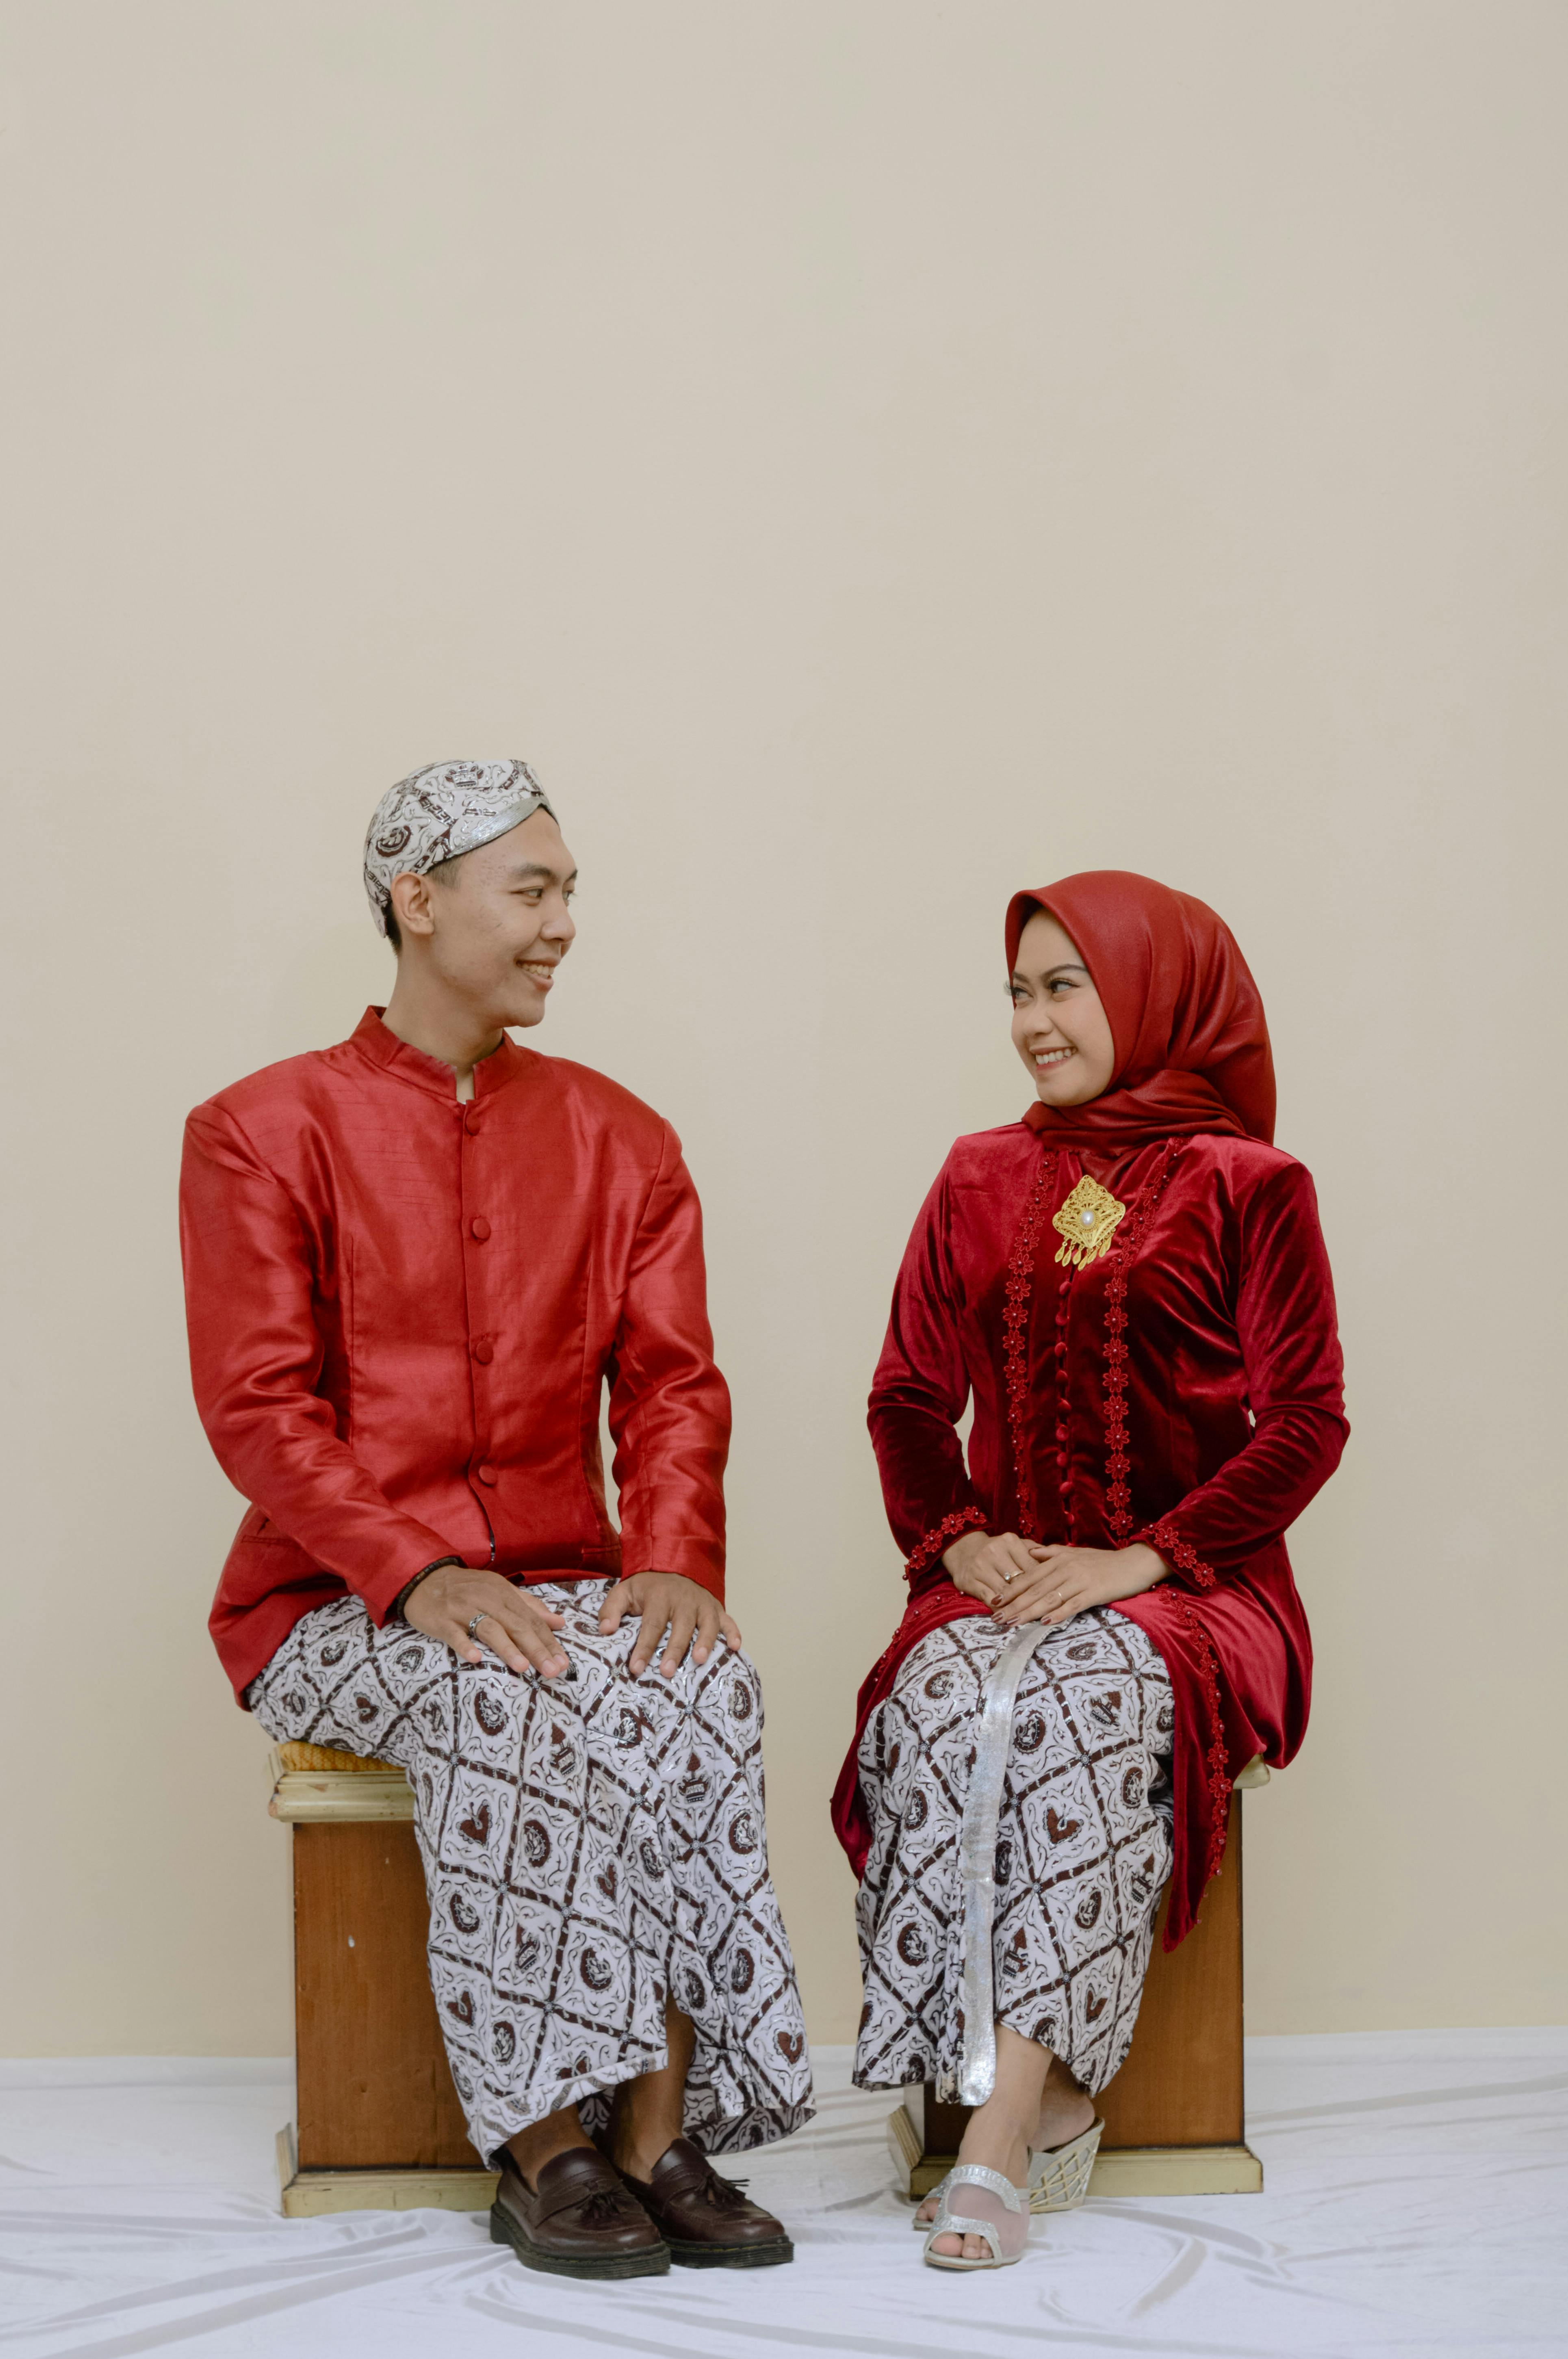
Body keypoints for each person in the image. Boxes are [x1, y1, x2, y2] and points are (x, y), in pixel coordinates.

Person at [181, 760, 809, 2281]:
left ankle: (659, 2134)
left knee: (698, 1677)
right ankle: (543, 2143)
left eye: (568, 893)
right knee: (501, 1690)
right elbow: (260, 1408)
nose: (563, 926)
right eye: (533, 890)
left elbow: (673, 1386)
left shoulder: (624, 1138)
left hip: (566, 1579)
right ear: (419, 900)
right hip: (330, 1604)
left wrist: (670, 1556)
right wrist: (414, 1571)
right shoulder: (259, 1131)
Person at [833, 869, 1347, 2272]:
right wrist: (959, 1540)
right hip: (1002, 1579)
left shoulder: (1249, 1184)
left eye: (1066, 986)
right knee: (937, 1695)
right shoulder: (976, 1175)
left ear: (1150, 991)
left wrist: (1145, 1559)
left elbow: (1308, 1423)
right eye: (1018, 989)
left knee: (1088, 1702)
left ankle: (999, 2132)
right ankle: (993, 2083)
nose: (1033, 1021)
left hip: (1196, 1586)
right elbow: (902, 1399)